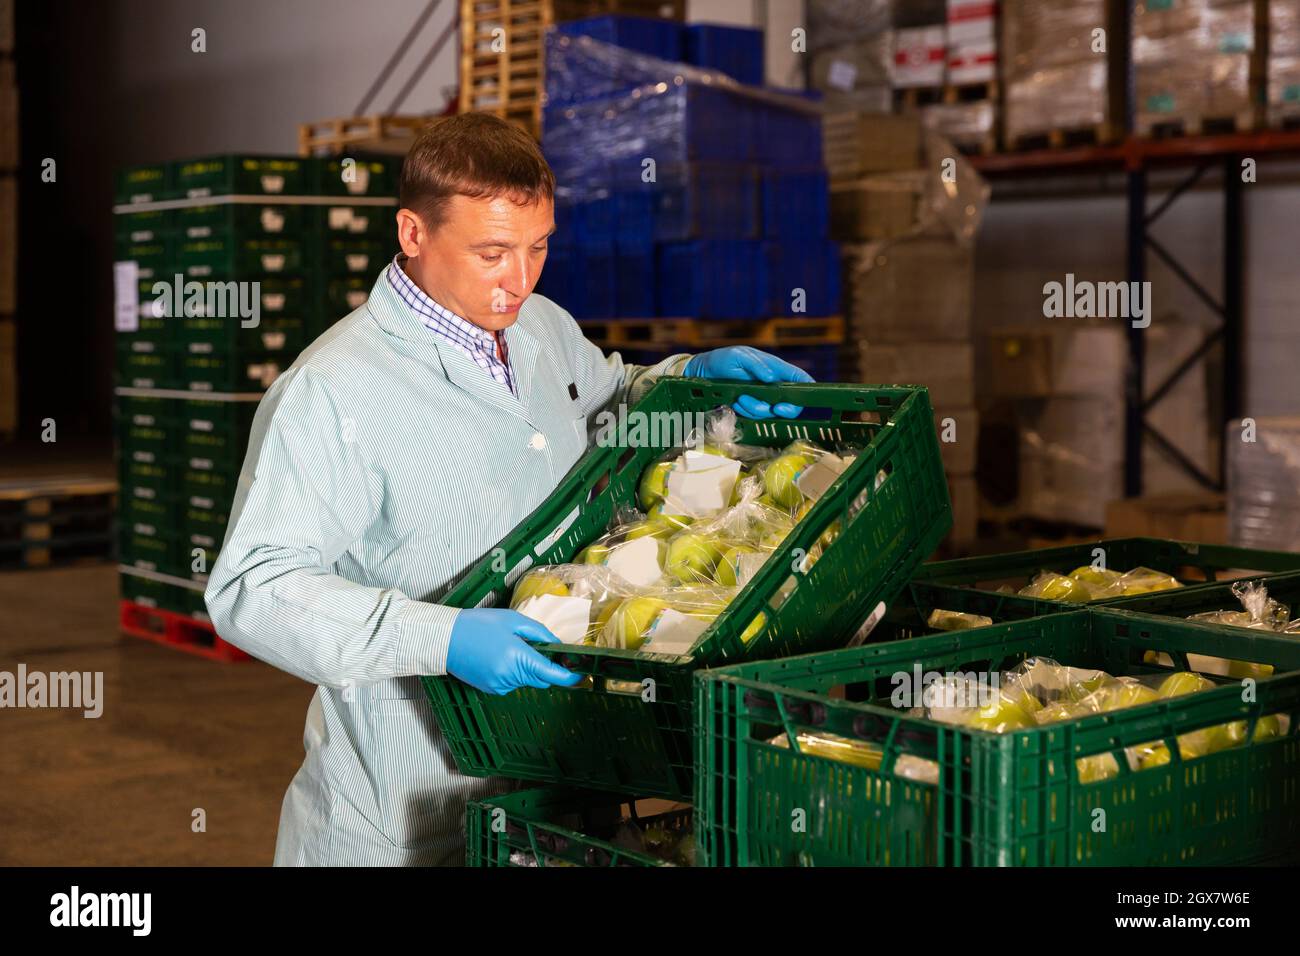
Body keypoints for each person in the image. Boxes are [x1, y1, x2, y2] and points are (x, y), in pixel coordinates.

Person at [204, 113, 814, 865]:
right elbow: (253, 589)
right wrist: (446, 636)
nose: (520, 279)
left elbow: (606, 400)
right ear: (413, 233)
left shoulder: (540, 328)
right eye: (491, 252)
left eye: (538, 247)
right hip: (398, 808)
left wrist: (689, 380)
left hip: (555, 774)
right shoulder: (332, 392)